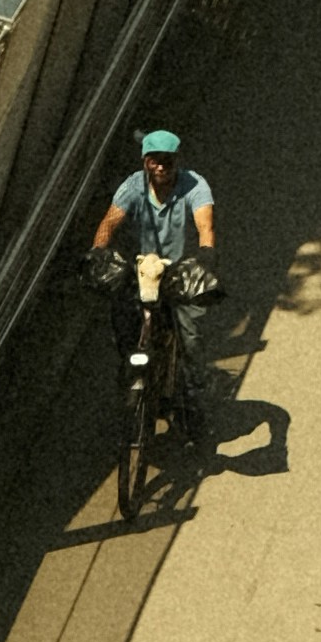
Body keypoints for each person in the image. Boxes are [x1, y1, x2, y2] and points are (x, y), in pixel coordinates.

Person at [93, 124, 218, 449]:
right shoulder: (132, 188)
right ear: (145, 162)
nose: (161, 167)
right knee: (122, 319)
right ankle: (133, 384)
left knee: (191, 339)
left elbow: (204, 226)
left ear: (177, 161)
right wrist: (98, 253)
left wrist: (205, 254)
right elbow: (108, 224)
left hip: (179, 272)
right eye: (154, 161)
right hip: (141, 270)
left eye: (167, 161)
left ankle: (193, 413)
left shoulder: (195, 186)